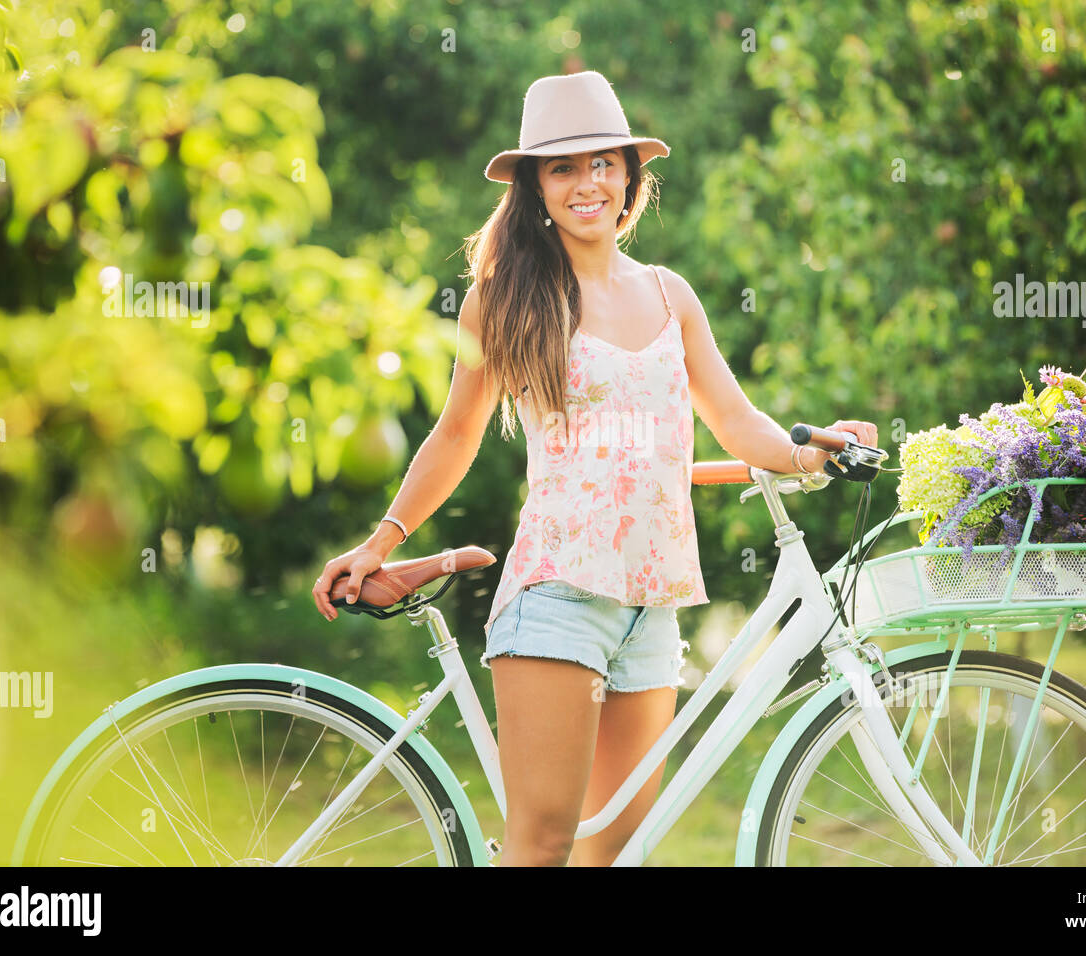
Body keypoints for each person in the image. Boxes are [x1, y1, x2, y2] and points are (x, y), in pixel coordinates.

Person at [311, 70, 876, 866]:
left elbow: (735, 418)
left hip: (654, 601)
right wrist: (383, 538)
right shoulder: (505, 300)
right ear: (537, 186)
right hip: (559, 595)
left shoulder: (670, 295)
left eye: (604, 163)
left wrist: (803, 451)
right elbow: (456, 434)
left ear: (630, 176)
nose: (588, 183)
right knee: (541, 847)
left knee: (615, 850)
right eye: (564, 167)